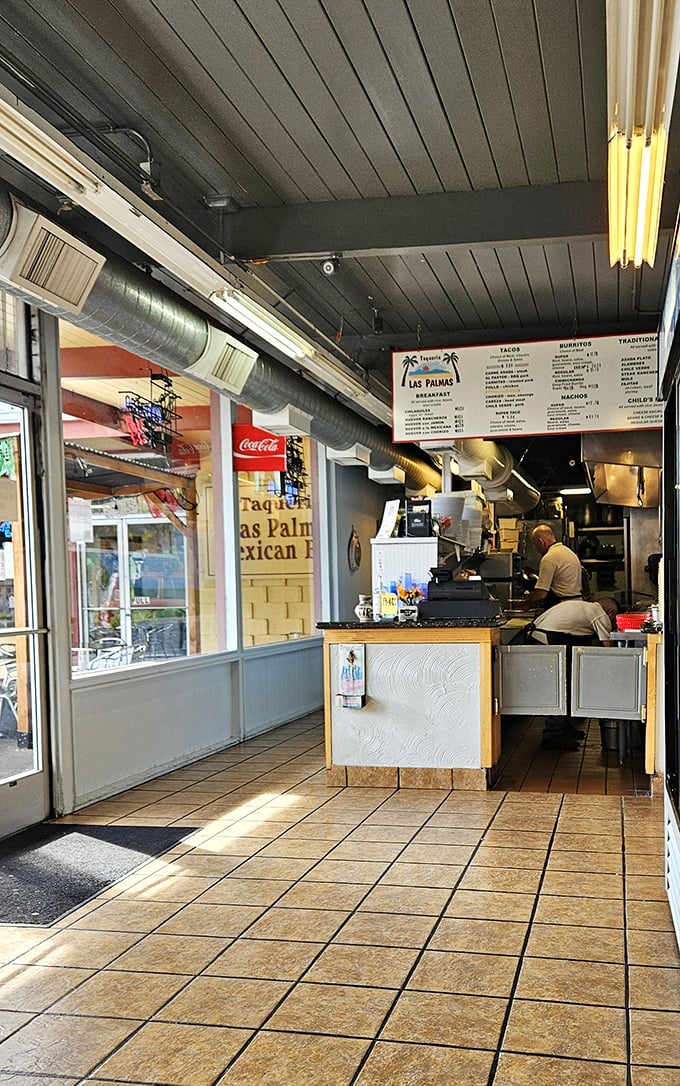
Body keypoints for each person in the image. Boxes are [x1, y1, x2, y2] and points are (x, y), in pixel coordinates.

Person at [529, 597, 619, 751]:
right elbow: (608, 647)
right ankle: (553, 736)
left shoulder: (583, 606)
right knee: (561, 689)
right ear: (610, 612)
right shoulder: (600, 614)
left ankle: (564, 728)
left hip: (539, 637)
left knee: (565, 685)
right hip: (550, 641)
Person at [523, 523, 584, 611]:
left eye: (535, 544)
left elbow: (541, 594)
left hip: (562, 608)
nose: (535, 548)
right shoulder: (568, 552)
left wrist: (526, 604)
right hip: (577, 606)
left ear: (541, 542)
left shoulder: (549, 558)